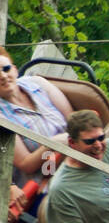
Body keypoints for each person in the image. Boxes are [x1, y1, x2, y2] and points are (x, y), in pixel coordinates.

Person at [0, 45, 74, 184]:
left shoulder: (36, 83)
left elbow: (72, 119)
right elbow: (25, 164)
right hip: (42, 179)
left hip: (73, 160)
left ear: (15, 70)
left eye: (6, 69)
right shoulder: (2, 117)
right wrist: (54, 143)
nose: (3, 76)